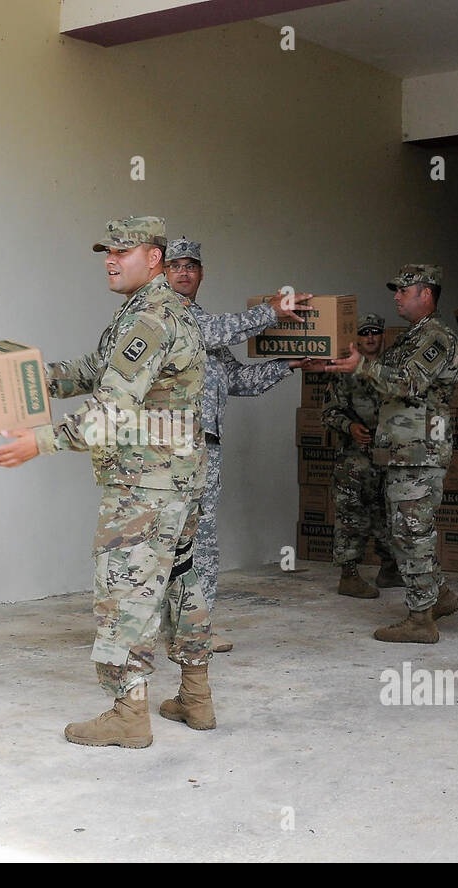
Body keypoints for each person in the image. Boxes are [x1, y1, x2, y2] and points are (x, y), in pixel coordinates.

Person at [0, 216, 214, 748]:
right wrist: (27, 378)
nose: (111, 259)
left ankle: (128, 713)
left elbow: (110, 409)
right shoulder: (156, 310)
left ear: (153, 257)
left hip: (145, 482)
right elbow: (96, 369)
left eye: (123, 250)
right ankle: (196, 696)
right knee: (182, 580)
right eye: (106, 251)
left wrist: (37, 441)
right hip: (176, 475)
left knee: (126, 592)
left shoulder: (150, 319)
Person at [163, 236, 309, 652]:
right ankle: (167, 627)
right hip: (165, 449)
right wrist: (273, 311)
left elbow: (240, 381)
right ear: (162, 272)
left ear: (202, 274)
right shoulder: (166, 318)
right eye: (176, 265)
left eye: (192, 265)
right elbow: (218, 329)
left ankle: (195, 628)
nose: (185, 272)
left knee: (201, 541)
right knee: (163, 539)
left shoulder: (207, 325)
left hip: (205, 449)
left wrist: (288, 364)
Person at [322, 265, 458, 643]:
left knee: (410, 532)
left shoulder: (436, 336)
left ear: (426, 294)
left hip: (420, 450)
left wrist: (362, 366)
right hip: (403, 451)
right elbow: (385, 381)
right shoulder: (410, 337)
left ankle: (421, 620)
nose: (396, 297)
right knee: (408, 529)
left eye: (404, 290)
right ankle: (440, 596)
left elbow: (409, 382)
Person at [321, 312, 402, 598]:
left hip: (388, 454)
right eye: (364, 332)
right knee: (351, 514)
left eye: (375, 333)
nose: (370, 338)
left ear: (382, 336)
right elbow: (329, 411)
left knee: (389, 513)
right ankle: (349, 575)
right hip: (355, 458)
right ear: (357, 337)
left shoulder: (394, 371)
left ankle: (390, 569)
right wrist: (351, 426)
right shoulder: (344, 370)